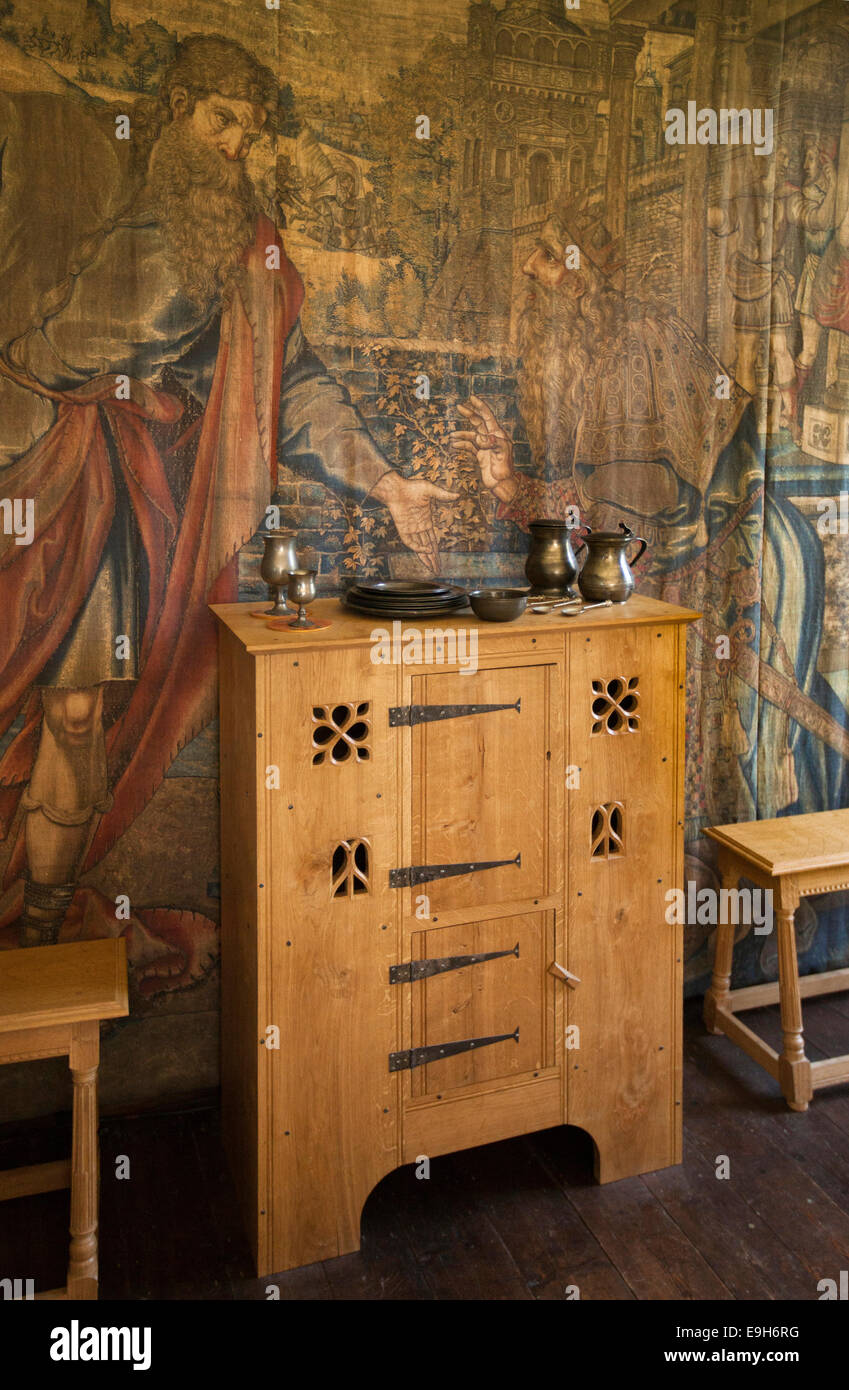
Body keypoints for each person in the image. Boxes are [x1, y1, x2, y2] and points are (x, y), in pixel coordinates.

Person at [0, 33, 455, 945]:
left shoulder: (237, 247)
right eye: (221, 124)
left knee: (79, 709)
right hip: (22, 459)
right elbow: (51, 338)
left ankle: (37, 930)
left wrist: (386, 480)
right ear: (175, 113)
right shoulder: (79, 169)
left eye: (249, 134)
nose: (235, 150)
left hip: (113, 493)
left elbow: (288, 382)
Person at [450, 193, 848, 826]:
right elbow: (596, 510)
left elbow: (632, 507)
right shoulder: (577, 357)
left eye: (548, 257)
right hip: (647, 555)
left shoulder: (639, 342)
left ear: (581, 274)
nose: (527, 268)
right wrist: (507, 485)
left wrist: (526, 497)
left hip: (708, 550)